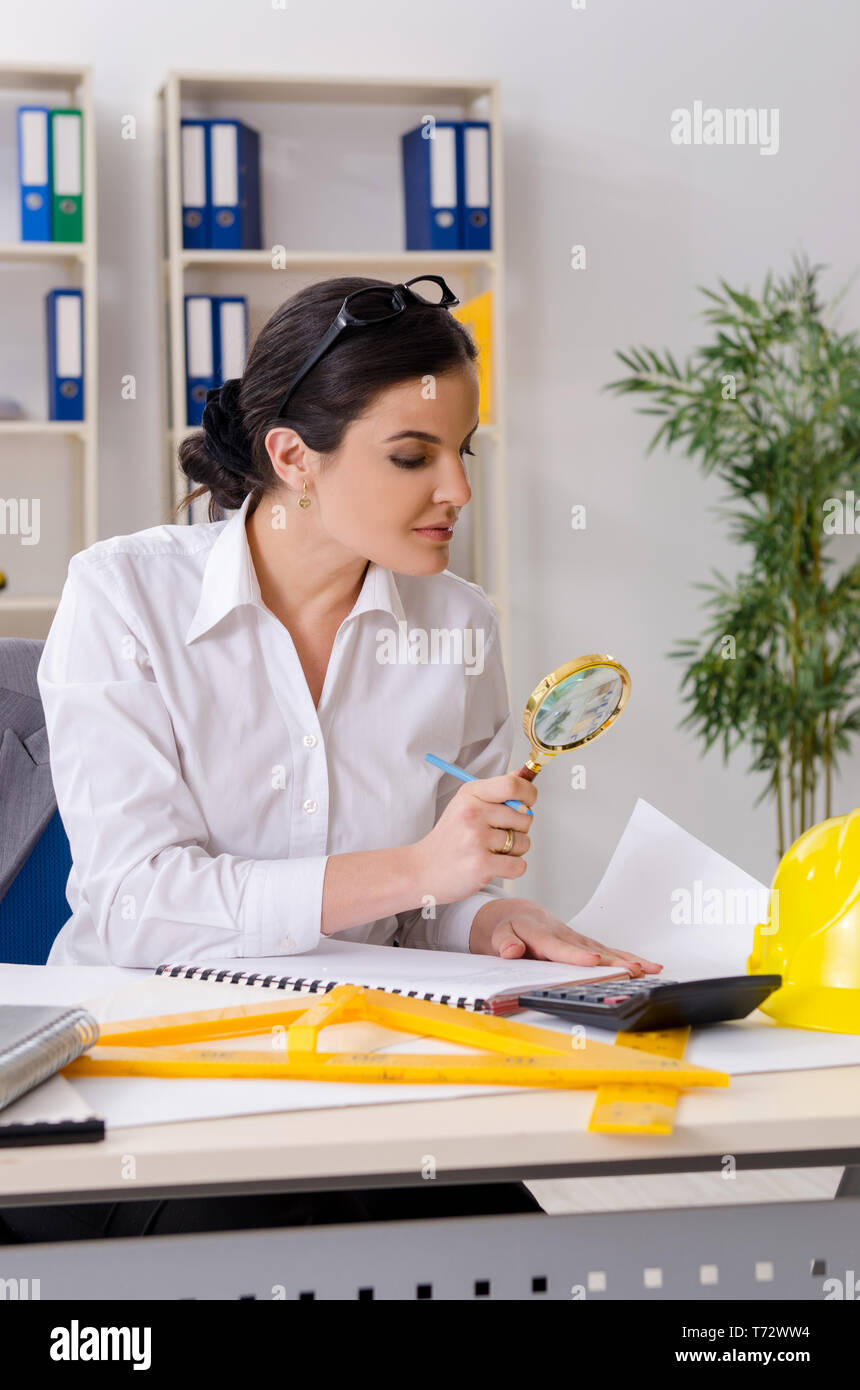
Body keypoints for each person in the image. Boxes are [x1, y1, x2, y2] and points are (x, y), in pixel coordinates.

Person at [3, 275, 659, 1242]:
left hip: (371, 1065)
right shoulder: (123, 599)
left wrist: (488, 917)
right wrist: (419, 868)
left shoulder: (459, 625)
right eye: (412, 455)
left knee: (518, 1243)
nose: (458, 491)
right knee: (291, 1228)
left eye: (462, 451)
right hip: (148, 1075)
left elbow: (430, 908)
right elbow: (142, 910)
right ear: (292, 457)